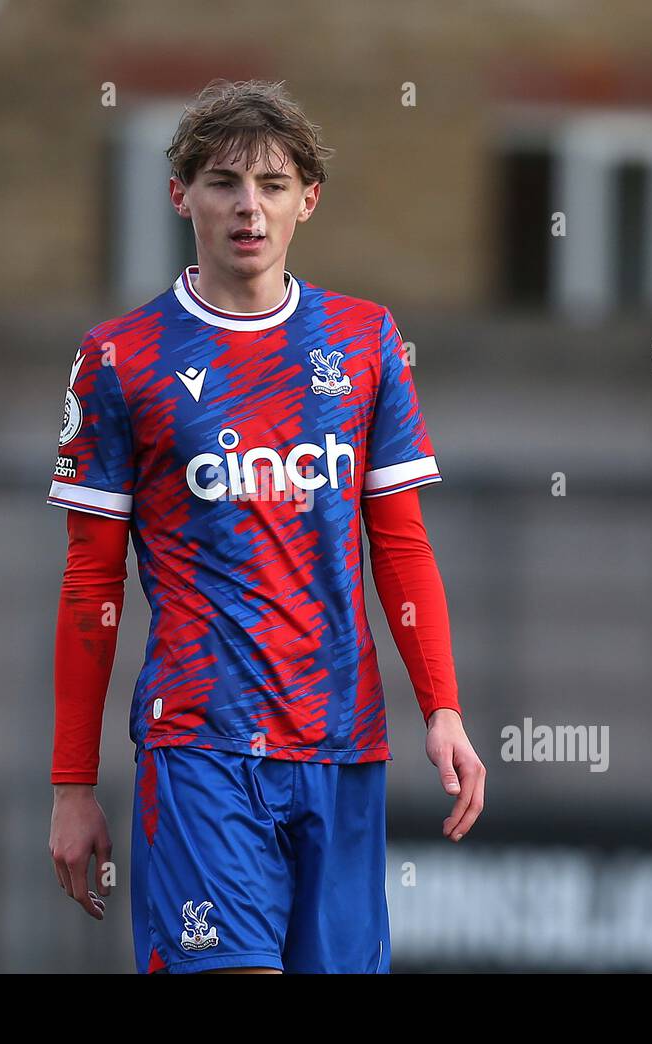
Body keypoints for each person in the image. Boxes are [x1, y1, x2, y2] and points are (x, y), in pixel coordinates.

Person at [46, 79, 484, 974]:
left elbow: (399, 544)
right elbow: (92, 583)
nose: (249, 206)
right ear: (180, 196)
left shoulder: (364, 343)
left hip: (339, 741)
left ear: (307, 200)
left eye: (273, 184)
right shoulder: (124, 358)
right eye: (222, 182)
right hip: (200, 744)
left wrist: (442, 705)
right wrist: (72, 783)